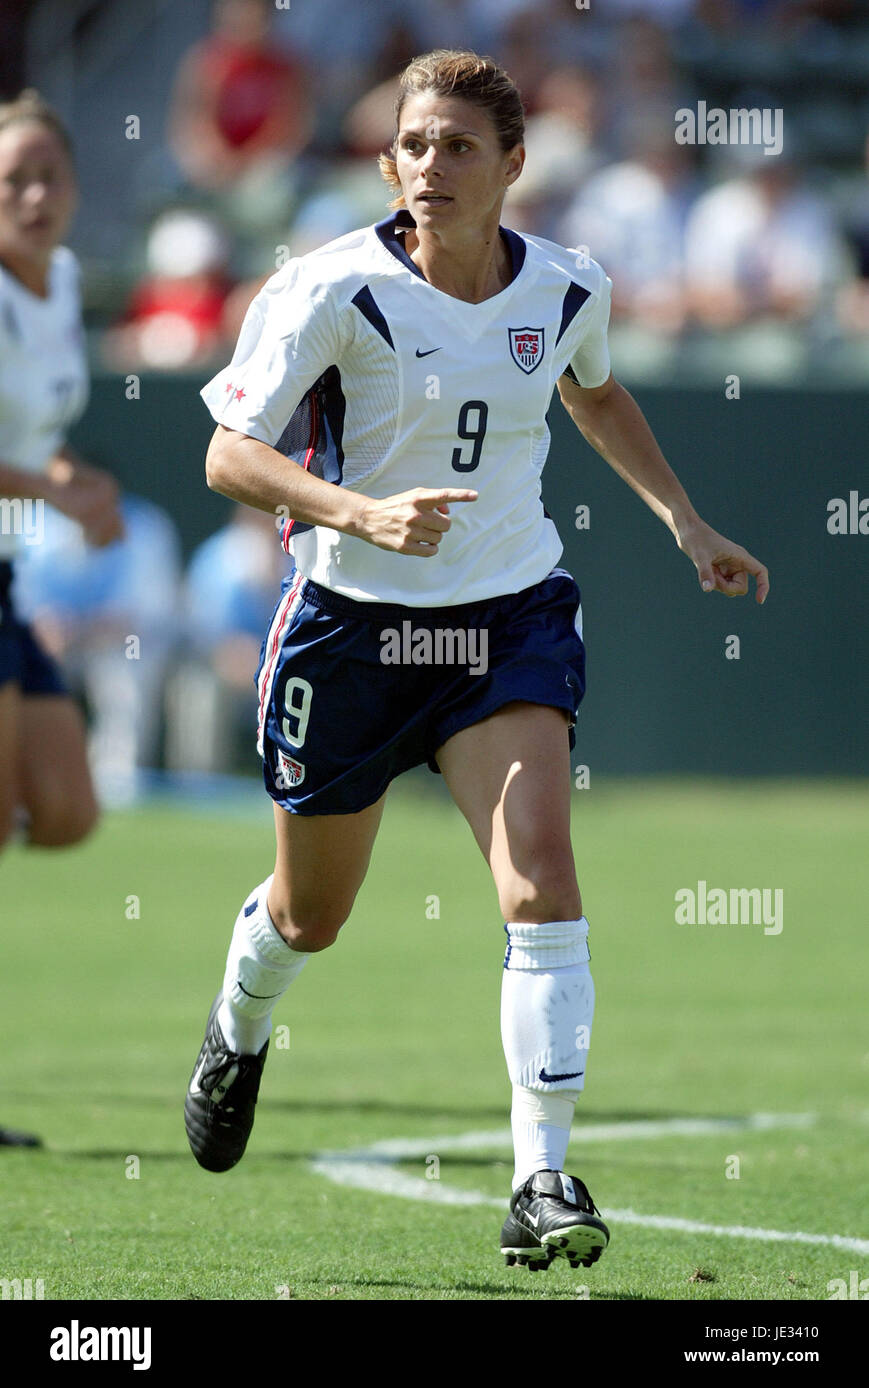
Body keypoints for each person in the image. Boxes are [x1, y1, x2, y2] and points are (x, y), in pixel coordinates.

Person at [186, 49, 769, 1273]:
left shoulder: (563, 288)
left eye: (458, 146)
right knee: (310, 915)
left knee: (539, 879)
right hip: (351, 630)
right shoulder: (328, 288)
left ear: (513, 165)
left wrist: (682, 517)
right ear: (386, 157)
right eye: (413, 144)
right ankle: (237, 1032)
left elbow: (594, 392)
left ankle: (538, 1176)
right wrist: (355, 512)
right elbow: (230, 457)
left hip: (504, 622)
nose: (429, 166)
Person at [0, 89, 124, 1145]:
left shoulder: (66, 280)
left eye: (51, 176)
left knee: (66, 807)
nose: (35, 196)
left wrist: (80, 481)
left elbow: (39, 442)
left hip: (5, 580)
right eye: (13, 180)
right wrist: (58, 493)